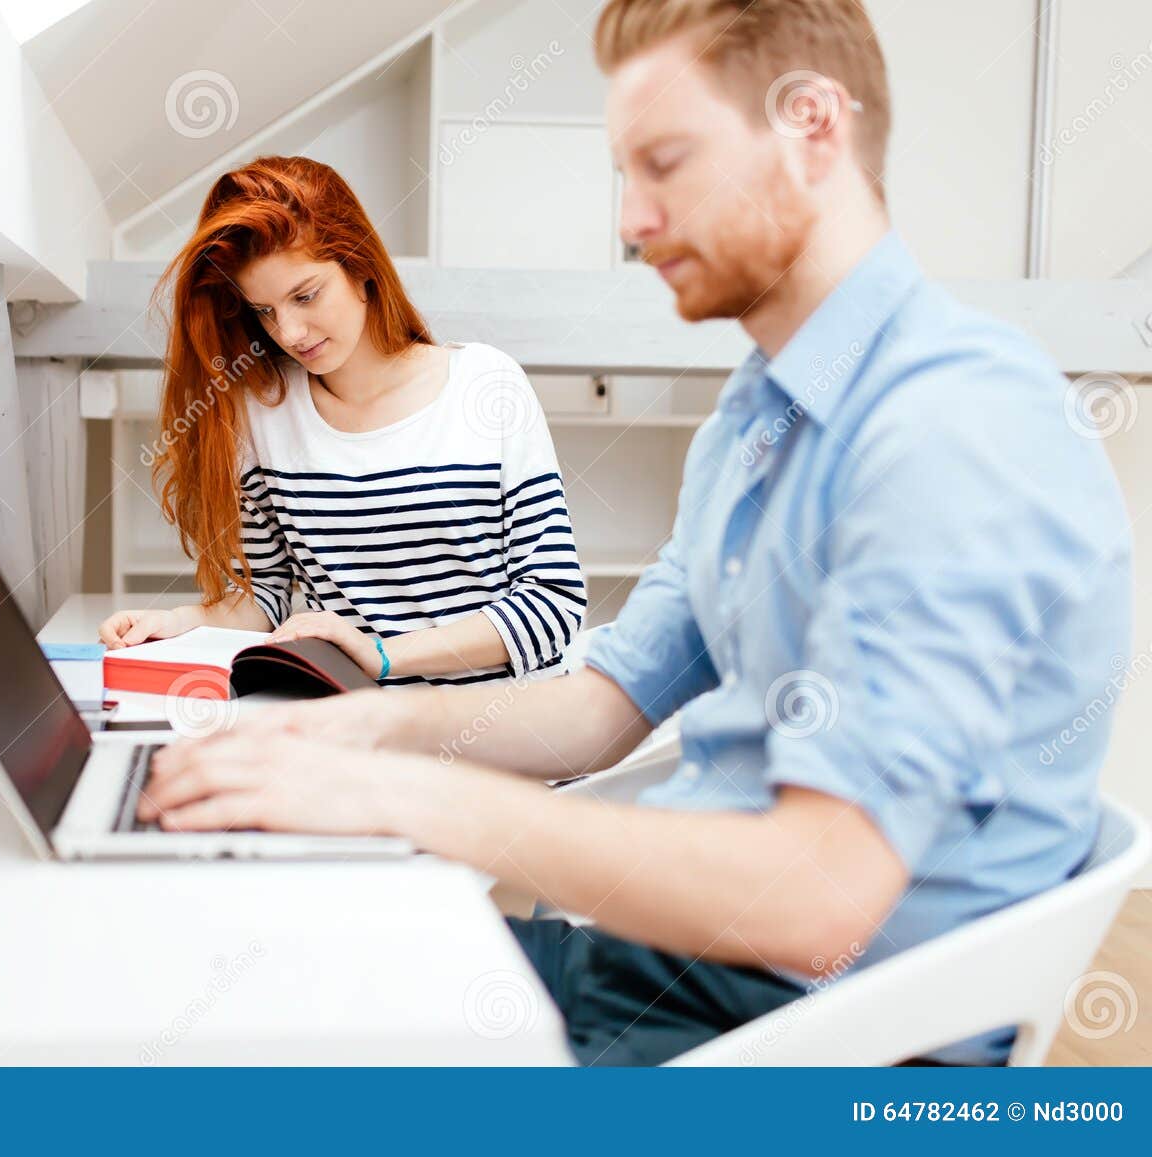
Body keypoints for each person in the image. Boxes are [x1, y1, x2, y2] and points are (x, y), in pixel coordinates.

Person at [137, 0, 1132, 1065]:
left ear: (812, 127)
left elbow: (818, 898)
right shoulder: (753, 426)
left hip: (808, 1036)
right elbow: (598, 709)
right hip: (668, 967)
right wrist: (361, 729)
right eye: (625, 173)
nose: (632, 218)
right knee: (244, 995)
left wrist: (397, 792)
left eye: (665, 162)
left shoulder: (949, 424)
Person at [99, 156, 585, 687]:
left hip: (503, 721)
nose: (289, 332)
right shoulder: (263, 413)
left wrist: (382, 655)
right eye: (264, 311)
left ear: (361, 266)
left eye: (305, 296)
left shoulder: (486, 384)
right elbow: (265, 597)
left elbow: (554, 604)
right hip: (358, 722)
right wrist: (179, 623)